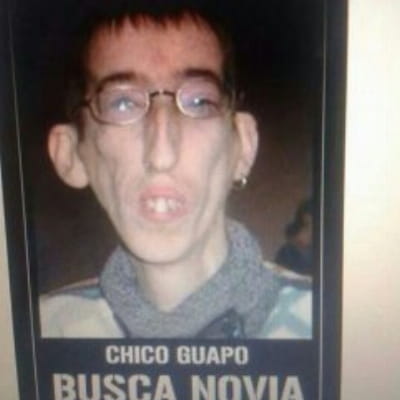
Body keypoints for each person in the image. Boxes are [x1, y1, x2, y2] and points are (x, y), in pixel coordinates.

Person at [40, 2, 311, 339]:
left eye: (199, 102)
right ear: (71, 156)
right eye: (122, 103)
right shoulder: (40, 330)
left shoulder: (338, 324)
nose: (162, 154)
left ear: (243, 145)